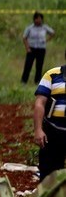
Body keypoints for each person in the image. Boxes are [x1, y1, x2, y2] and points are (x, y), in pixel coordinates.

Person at [33, 50, 66, 180]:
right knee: (49, 175)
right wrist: (38, 130)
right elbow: (39, 103)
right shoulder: (52, 75)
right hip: (53, 131)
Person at [22, 11, 55, 85]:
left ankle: (37, 81)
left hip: (41, 49)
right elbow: (24, 38)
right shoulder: (30, 28)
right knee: (28, 65)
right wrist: (27, 48)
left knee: (39, 66)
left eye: (40, 19)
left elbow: (52, 33)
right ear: (34, 19)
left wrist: (46, 40)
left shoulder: (44, 27)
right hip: (31, 49)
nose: (39, 20)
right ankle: (24, 81)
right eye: (37, 19)